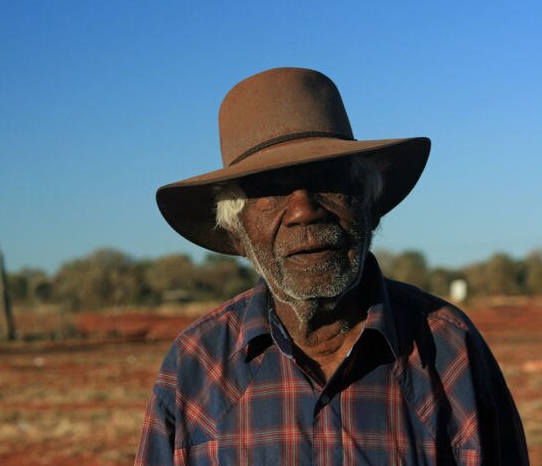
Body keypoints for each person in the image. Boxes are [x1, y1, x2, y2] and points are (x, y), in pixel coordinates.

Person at [136, 67, 528, 465]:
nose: (304, 211)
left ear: (370, 207)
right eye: (271, 191)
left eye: (326, 181)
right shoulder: (196, 365)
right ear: (239, 235)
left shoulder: (449, 350)